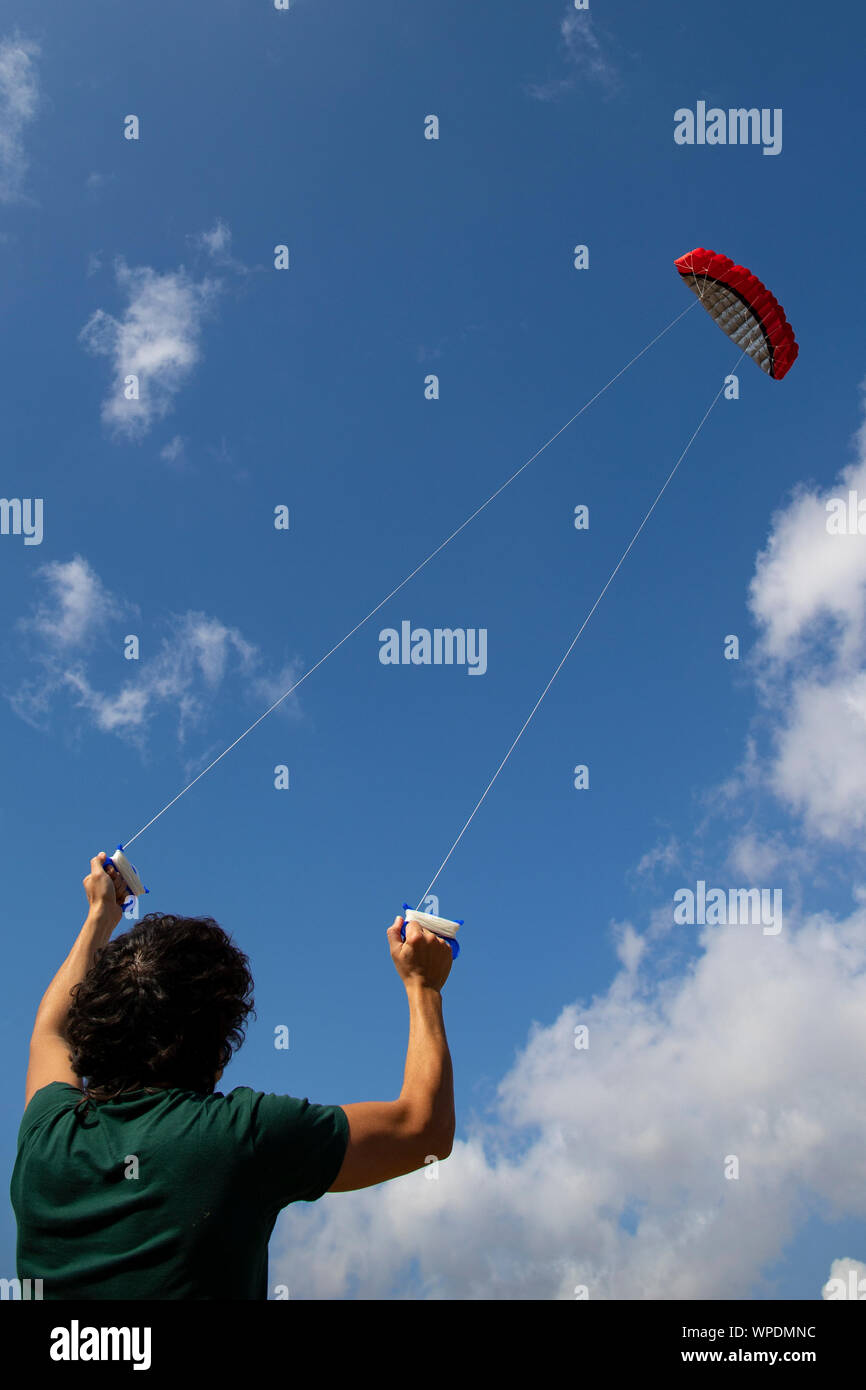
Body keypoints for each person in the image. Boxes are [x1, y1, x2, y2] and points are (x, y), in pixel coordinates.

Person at [10, 853, 454, 1299]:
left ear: (95, 1015)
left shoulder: (47, 1135)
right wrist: (424, 988)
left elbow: (51, 1030)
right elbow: (423, 1130)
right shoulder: (235, 1137)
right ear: (218, 1052)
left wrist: (99, 918)